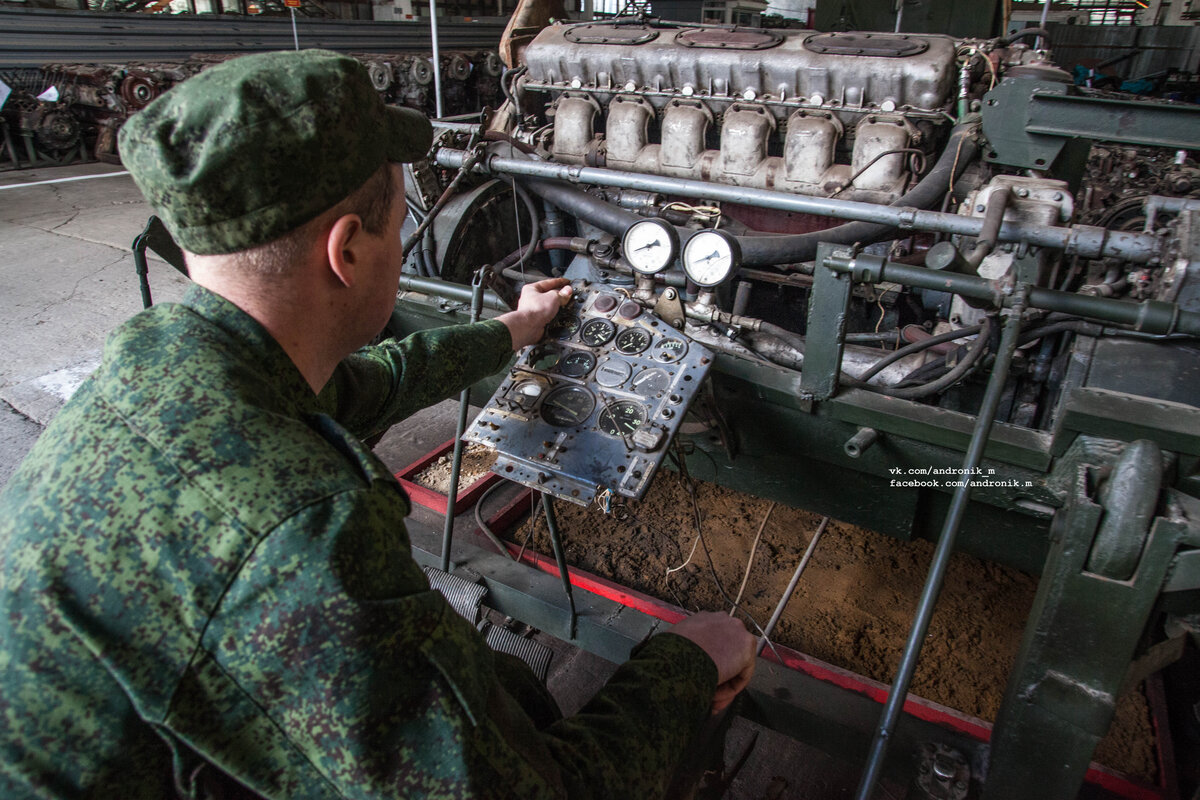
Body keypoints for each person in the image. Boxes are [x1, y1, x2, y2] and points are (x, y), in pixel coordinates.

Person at [0, 49, 756, 799]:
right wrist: (682, 665)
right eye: (398, 227)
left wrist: (511, 331)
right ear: (347, 251)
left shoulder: (168, 361)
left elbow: (370, 384)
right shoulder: (305, 536)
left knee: (505, 685)